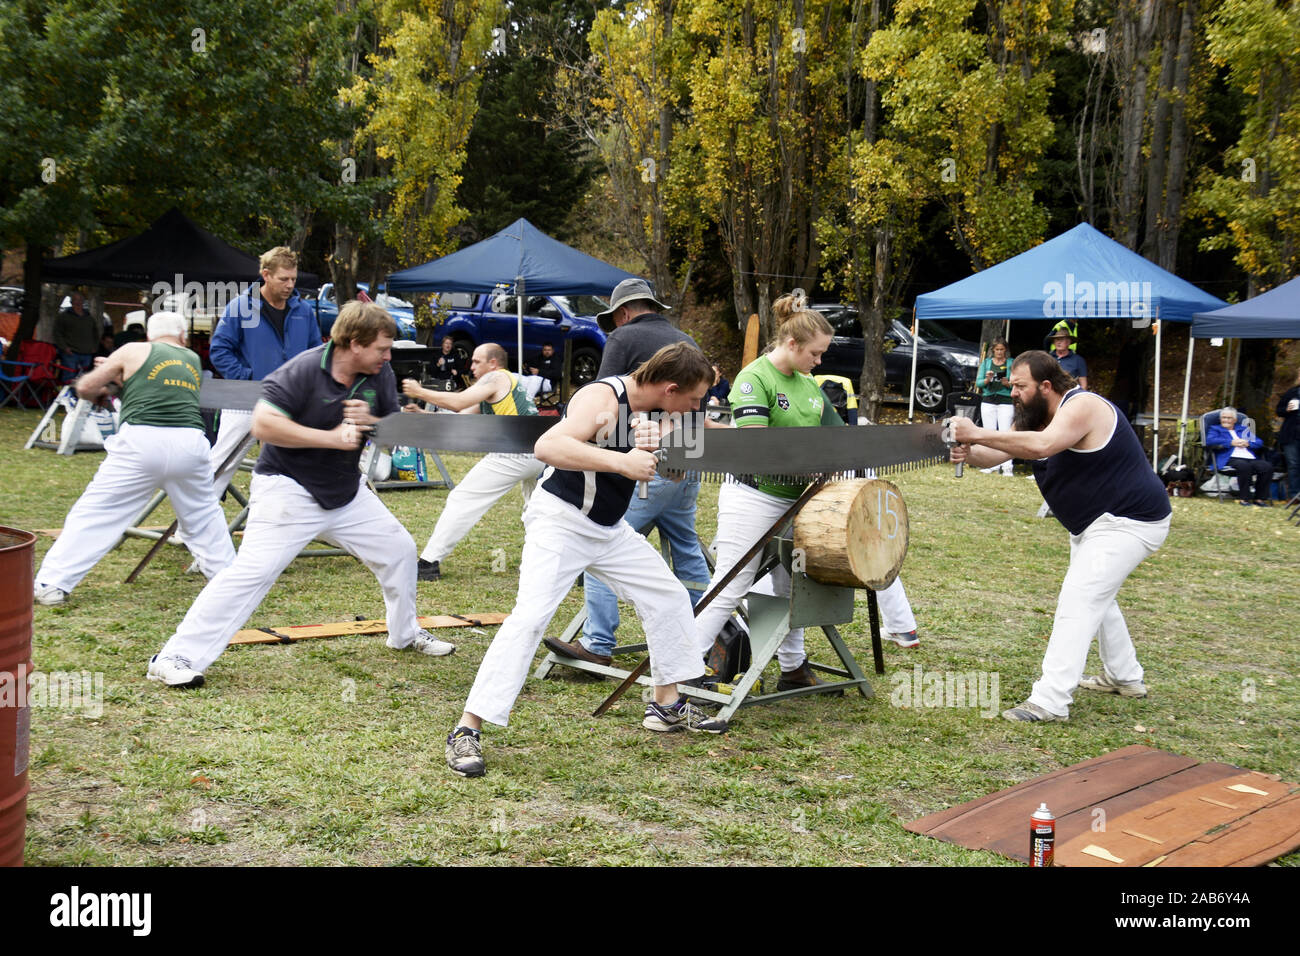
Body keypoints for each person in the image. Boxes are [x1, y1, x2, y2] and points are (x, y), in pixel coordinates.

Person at [444, 342, 724, 778]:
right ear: (670, 389)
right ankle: (467, 728)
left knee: (668, 596)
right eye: (693, 399)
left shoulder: (660, 413)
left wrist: (664, 458)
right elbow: (548, 446)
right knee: (531, 617)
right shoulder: (603, 397)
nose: (697, 407)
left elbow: (658, 467)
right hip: (560, 522)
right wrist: (623, 462)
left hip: (609, 530)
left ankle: (666, 706)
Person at [147, 302, 453, 689]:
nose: (388, 356)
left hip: (345, 489)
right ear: (354, 343)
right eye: (381, 348)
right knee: (251, 573)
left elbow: (388, 423)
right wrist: (329, 437)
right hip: (288, 488)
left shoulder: (379, 371)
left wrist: (371, 421)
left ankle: (405, 634)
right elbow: (263, 424)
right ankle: (175, 656)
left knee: (400, 552)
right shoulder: (303, 370)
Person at [691, 292, 921, 701]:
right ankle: (685, 667)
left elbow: (838, 440)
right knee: (731, 582)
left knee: (792, 584)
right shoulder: (754, 379)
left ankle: (793, 668)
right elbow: (755, 449)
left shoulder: (810, 389)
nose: (820, 361)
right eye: (816, 353)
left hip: (798, 503)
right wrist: (805, 467)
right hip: (754, 497)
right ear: (792, 344)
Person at [948, 350, 1171, 722]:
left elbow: (1042, 446)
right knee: (1099, 598)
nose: (1013, 393)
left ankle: (1050, 701)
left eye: (1020, 386)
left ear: (1046, 385)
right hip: (1096, 524)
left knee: (1080, 599)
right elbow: (992, 455)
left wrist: (976, 431)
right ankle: (1125, 676)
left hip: (1130, 520)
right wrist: (967, 450)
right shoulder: (1036, 416)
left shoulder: (1082, 405)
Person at [542, 277, 713, 668]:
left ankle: (598, 643)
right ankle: (699, 633)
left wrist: (627, 455)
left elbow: (609, 408)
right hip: (687, 459)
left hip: (645, 460)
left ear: (622, 313)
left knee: (607, 540)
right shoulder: (685, 342)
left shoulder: (621, 339)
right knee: (685, 546)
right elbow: (696, 410)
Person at [32, 312, 237, 607]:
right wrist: (120, 375)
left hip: (142, 440)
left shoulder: (133, 350)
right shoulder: (192, 358)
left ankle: (53, 583)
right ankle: (228, 582)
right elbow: (154, 386)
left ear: (149, 336)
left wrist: (112, 373)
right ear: (183, 337)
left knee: (98, 513)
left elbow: (86, 388)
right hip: (190, 443)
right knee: (203, 517)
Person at [401, 343, 544, 582]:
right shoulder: (498, 389)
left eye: (477, 361)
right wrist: (423, 414)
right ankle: (544, 563)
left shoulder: (496, 378)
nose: (472, 366)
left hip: (515, 452)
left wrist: (421, 391)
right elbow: (458, 418)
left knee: (463, 498)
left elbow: (458, 402)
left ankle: (428, 563)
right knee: (536, 511)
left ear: (493, 363)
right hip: (538, 453)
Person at [207, 246, 320, 493]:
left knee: (296, 464)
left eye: (293, 279)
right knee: (222, 463)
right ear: (266, 275)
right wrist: (248, 379)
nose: (290, 285)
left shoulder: (304, 311)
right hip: (244, 399)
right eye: (283, 279)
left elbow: (316, 353)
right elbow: (219, 350)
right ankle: (192, 524)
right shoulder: (240, 307)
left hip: (291, 399)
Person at [1206, 407, 1272, 507]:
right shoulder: (1215, 429)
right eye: (1224, 417)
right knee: (1244, 466)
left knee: (1266, 467)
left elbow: (1259, 442)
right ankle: (1244, 498)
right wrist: (1230, 442)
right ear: (1220, 419)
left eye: (1229, 418)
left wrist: (1248, 443)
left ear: (1235, 420)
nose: (1226, 420)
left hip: (1249, 457)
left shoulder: (1243, 430)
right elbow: (1210, 441)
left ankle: (1259, 498)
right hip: (1229, 458)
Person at [976, 338, 1014, 475]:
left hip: (1005, 400)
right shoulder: (986, 363)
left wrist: (1007, 383)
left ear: (1006, 350)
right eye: (997, 349)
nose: (999, 352)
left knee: (1005, 434)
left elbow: (1016, 382)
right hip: (988, 400)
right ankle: (990, 464)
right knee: (989, 433)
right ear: (993, 350)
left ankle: (1007, 467)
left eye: (1002, 349)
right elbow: (979, 383)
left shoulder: (1011, 363)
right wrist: (987, 379)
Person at [54, 291, 100, 375]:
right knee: (69, 378)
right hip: (71, 353)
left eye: (80, 300)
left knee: (84, 378)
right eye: (76, 300)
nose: (78, 302)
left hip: (87, 353)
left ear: (83, 302)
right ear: (72, 302)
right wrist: (64, 348)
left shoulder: (89, 317)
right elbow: (57, 333)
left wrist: (95, 346)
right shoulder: (64, 316)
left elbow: (95, 333)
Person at [1275, 369, 1300, 499]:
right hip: (1291, 435)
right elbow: (1278, 411)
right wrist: (1286, 409)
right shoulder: (1292, 392)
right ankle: (1294, 496)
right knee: (1293, 465)